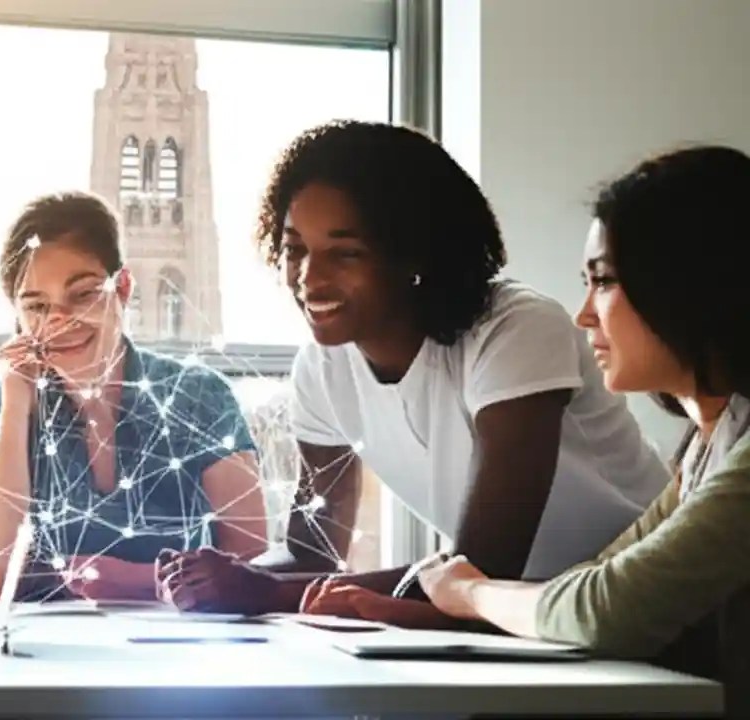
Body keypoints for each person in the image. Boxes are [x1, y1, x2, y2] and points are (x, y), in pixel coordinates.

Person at [157, 120, 671, 622]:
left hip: (642, 601)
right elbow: (310, 552)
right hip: (524, 616)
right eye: (295, 250)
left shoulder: (515, 330)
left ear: (414, 253)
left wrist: (267, 591)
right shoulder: (322, 368)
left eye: (345, 253)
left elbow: (484, 565)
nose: (309, 278)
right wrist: (214, 576)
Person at [416, 145, 750, 712]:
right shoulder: (707, 447)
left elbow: (603, 610)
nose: (584, 314)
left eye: (604, 281)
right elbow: (592, 580)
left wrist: (469, 592)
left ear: (691, 284)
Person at [0, 191, 267, 601]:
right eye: (37, 306)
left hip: (182, 637)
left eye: (83, 294)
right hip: (45, 641)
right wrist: (16, 402)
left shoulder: (198, 396)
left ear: (122, 287)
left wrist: (135, 581)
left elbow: (253, 564)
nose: (60, 322)